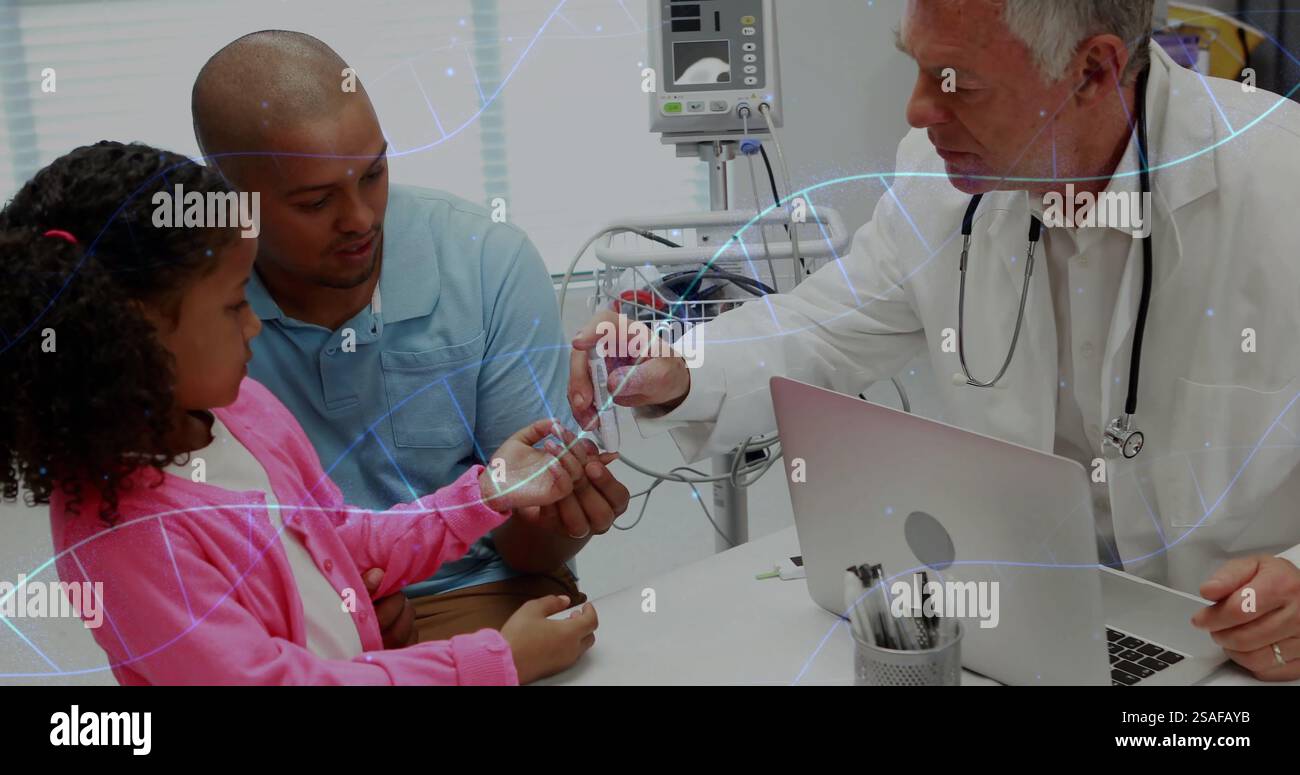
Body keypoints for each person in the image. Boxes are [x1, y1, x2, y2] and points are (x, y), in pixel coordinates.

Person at [569, 0, 1300, 680]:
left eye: (960, 85)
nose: (918, 111)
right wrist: (679, 367)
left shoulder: (1279, 185)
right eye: (915, 66)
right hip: (1016, 632)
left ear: (1093, 71)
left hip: (1234, 656)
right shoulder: (937, 184)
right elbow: (821, 327)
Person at [0, 141, 598, 684]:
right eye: (235, 305)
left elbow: (335, 540)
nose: (254, 323)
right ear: (133, 333)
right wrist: (494, 662)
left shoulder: (243, 412)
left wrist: (487, 492)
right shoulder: (124, 538)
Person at [190, 30, 630, 644]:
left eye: (373, 174)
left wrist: (561, 514)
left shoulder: (484, 261)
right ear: (233, 197)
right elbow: (197, 558)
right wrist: (341, 611)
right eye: (316, 203)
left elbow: (531, 552)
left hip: (472, 594)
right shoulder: (189, 312)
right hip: (286, 613)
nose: (362, 219)